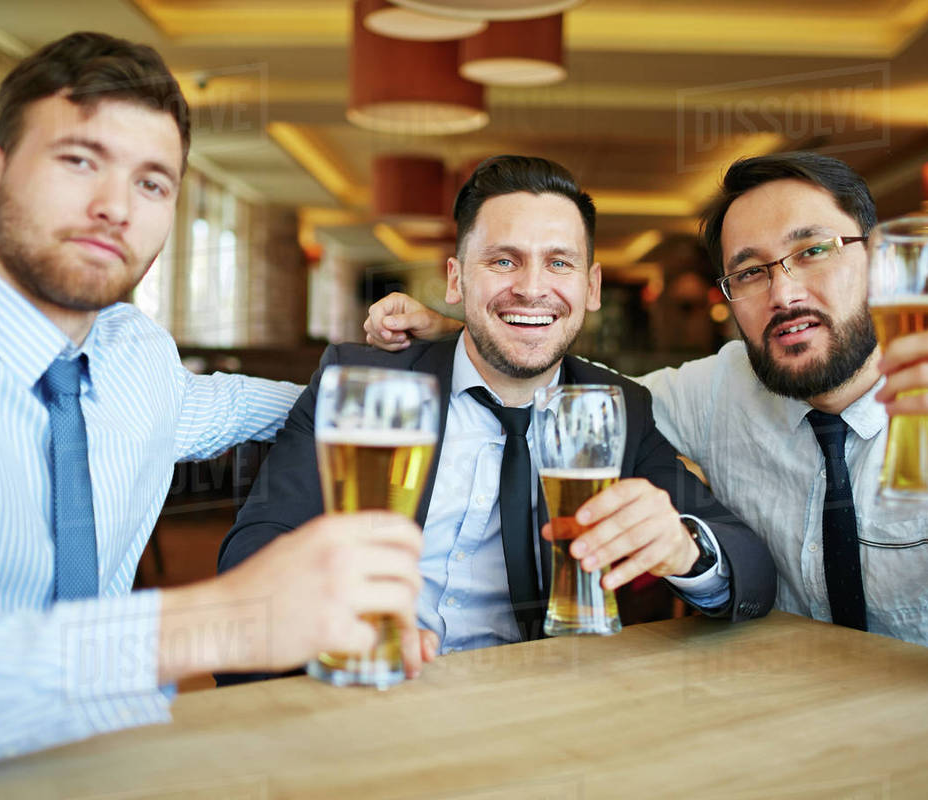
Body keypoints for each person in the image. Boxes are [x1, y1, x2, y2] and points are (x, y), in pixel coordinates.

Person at [0, 33, 422, 783]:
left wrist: (424, 372)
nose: (114, 208)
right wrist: (221, 620)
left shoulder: (134, 356)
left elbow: (247, 406)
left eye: (152, 183)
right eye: (79, 161)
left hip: (128, 769)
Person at [364, 151, 928, 695]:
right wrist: (464, 331)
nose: (784, 292)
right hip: (775, 719)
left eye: (813, 251)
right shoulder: (724, 383)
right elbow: (575, 393)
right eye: (750, 272)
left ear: (876, 260)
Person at [219, 155, 776, 681]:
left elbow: (749, 567)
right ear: (457, 280)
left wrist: (686, 549)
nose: (532, 289)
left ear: (591, 287)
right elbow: (256, 550)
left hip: (533, 704)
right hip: (364, 681)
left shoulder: (616, 406)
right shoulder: (362, 381)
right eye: (503, 260)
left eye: (559, 262)